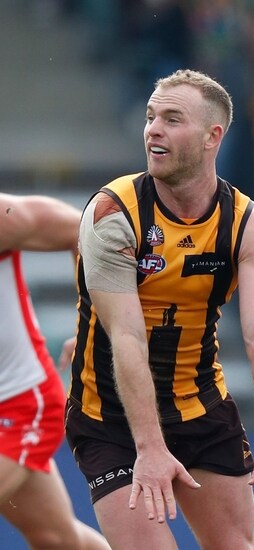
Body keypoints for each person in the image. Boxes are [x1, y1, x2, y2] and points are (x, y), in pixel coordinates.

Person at [66, 69, 254, 548]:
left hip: (201, 408)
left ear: (212, 137)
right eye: (151, 116)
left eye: (172, 119)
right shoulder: (114, 214)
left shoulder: (248, 225)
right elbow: (127, 337)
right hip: (110, 418)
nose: (153, 128)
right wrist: (150, 448)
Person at [0, 193, 109, 548]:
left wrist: (92, 322)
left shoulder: (5, 217)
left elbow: (84, 230)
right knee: (58, 539)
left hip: (18, 402)